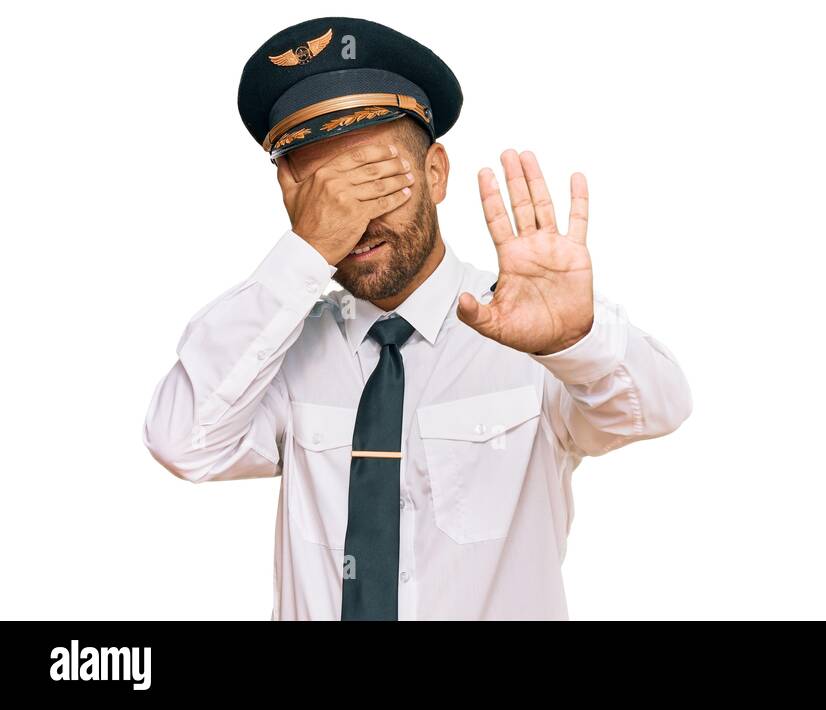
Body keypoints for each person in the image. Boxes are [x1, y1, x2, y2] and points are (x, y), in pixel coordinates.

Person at [142, 16, 692, 620]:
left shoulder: (528, 323)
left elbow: (656, 409)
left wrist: (576, 340)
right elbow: (183, 443)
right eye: (331, 195)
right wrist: (301, 256)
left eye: (378, 182)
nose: (359, 221)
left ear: (435, 174)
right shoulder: (281, 348)